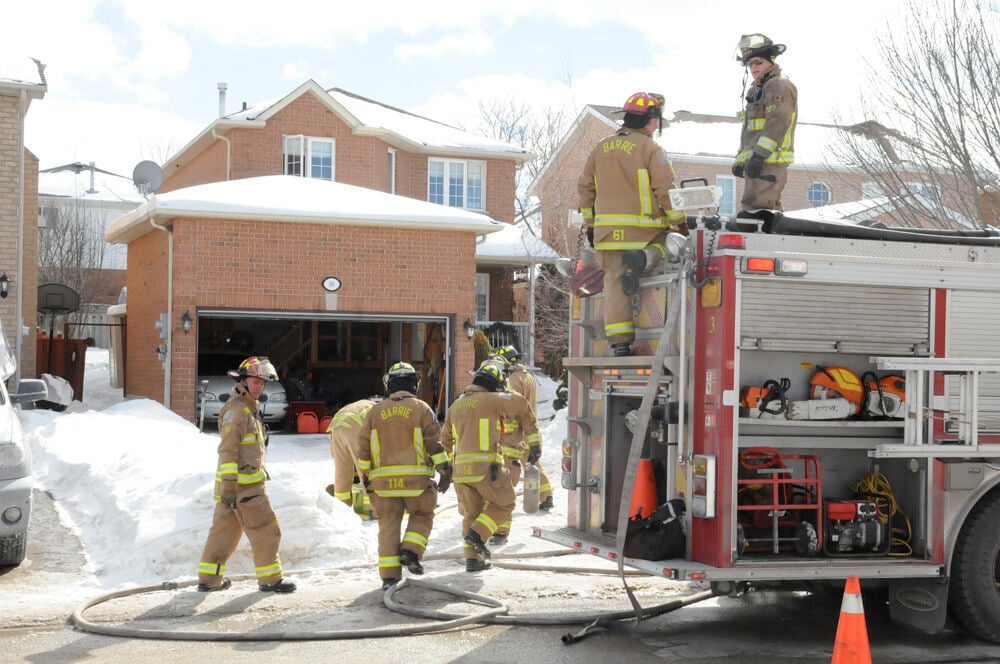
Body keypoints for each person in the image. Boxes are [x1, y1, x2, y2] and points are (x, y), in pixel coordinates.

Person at [578, 92, 687, 357]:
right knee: (671, 243)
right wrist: (680, 224)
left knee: (615, 284)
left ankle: (620, 344)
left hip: (607, 235)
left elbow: (585, 187)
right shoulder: (651, 149)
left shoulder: (600, 147)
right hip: (646, 232)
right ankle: (644, 258)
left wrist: (592, 225)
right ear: (651, 121)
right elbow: (665, 190)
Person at [197, 356, 296, 593]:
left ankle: (210, 580)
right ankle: (270, 580)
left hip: (233, 490)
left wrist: (228, 489)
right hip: (246, 488)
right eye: (255, 382)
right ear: (242, 381)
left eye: (262, 383)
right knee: (267, 529)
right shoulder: (238, 412)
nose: (259, 387)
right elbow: (228, 450)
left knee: (224, 533)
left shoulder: (247, 409)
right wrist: (231, 485)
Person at [356, 362, 451, 590]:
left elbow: (363, 449)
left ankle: (389, 577)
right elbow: (433, 444)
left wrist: (367, 477)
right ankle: (410, 551)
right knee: (422, 515)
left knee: (388, 525)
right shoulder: (422, 409)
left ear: (389, 384)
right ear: (414, 384)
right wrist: (445, 469)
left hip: (383, 486)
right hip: (416, 483)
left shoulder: (374, 412)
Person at [441, 359, 539, 571]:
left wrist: (446, 470)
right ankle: (478, 535)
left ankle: (473, 560)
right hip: (487, 468)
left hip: (461, 473)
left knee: (471, 513)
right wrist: (535, 442)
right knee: (505, 503)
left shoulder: (455, 405)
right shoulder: (493, 399)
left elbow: (445, 441)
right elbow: (521, 404)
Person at [489, 345, 551, 546]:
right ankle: (546, 494)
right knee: (531, 462)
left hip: (514, 432)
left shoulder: (513, 379)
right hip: (528, 428)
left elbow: (510, 406)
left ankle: (500, 523)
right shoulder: (526, 376)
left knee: (507, 476)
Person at [731, 34, 797, 214]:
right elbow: (751, 132)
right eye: (750, 64)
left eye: (758, 62)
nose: (753, 67)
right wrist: (741, 159)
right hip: (758, 163)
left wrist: (759, 156)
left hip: (769, 161)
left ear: (771, 61)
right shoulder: (758, 88)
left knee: (761, 213)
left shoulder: (778, 86)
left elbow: (778, 124)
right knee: (753, 209)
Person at [325, 397, 381, 514]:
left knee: (342, 470)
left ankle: (341, 506)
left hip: (335, 427)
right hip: (354, 426)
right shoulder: (380, 411)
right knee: (366, 467)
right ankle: (373, 508)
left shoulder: (364, 405)